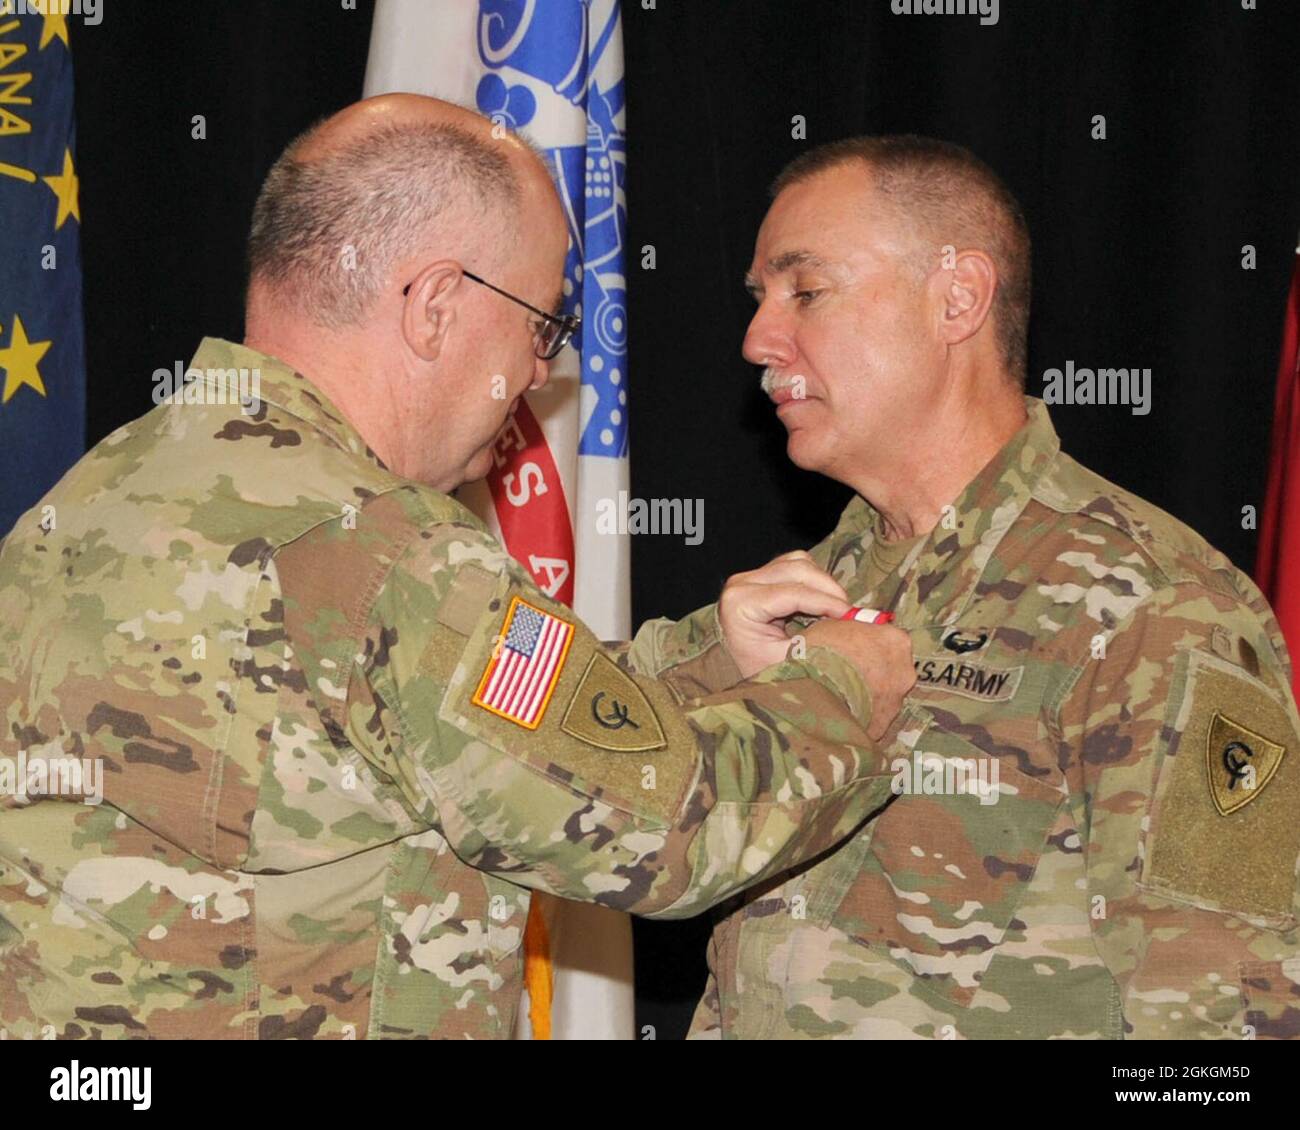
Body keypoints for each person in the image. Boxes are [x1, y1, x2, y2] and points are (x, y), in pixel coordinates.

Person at [0, 97, 917, 1040]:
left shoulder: (101, 489)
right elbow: (673, 830)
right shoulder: (387, 555)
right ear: (437, 307)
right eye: (542, 326)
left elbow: (447, 722)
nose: (536, 374)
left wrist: (711, 659)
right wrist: (847, 688)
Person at [675, 135, 1300, 1039]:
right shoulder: (808, 593)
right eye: (760, 298)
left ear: (958, 298)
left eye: (805, 290)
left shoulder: (1153, 603)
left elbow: (1228, 1042)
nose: (759, 339)